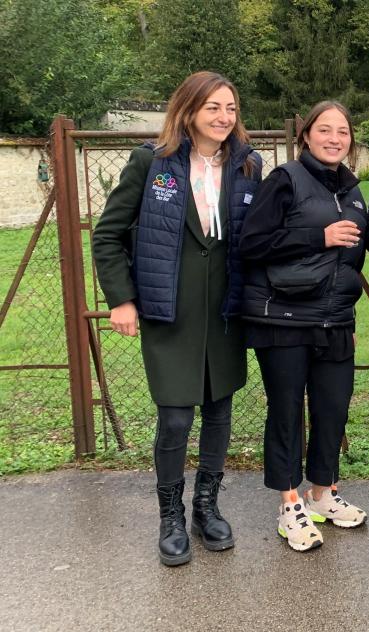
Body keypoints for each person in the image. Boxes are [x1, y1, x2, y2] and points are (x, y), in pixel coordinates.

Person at [92, 71, 262, 566]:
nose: (223, 117)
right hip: (170, 309)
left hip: (225, 309)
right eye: (212, 107)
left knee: (220, 410)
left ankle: (206, 508)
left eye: (230, 108)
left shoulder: (247, 164)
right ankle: (170, 515)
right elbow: (108, 234)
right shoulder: (153, 162)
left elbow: (265, 229)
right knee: (174, 417)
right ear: (187, 111)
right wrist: (121, 298)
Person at [240, 101, 369, 552]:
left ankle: (323, 492)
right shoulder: (285, 179)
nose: (335, 138)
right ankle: (290, 503)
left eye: (343, 132)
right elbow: (252, 243)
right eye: (325, 130)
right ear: (307, 136)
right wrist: (319, 236)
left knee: (333, 409)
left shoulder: (352, 188)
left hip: (335, 317)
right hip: (284, 318)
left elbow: (355, 249)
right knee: (287, 410)